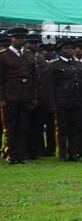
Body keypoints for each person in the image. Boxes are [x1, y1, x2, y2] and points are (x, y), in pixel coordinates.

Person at [49, 38, 82, 160]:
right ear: (60, 51)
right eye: (66, 48)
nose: (69, 50)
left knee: (76, 128)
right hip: (62, 102)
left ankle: (73, 153)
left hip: (77, 101)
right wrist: (52, 104)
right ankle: (62, 153)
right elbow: (49, 87)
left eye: (71, 48)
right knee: (62, 128)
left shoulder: (78, 65)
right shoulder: (54, 65)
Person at [1, 27, 36, 163]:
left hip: (25, 96)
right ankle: (11, 154)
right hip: (10, 96)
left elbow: (33, 79)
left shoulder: (28, 55)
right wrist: (2, 99)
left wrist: (33, 97)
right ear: (11, 38)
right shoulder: (4, 55)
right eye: (17, 38)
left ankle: (22, 154)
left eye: (22, 38)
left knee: (24, 126)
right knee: (11, 127)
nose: (19, 40)